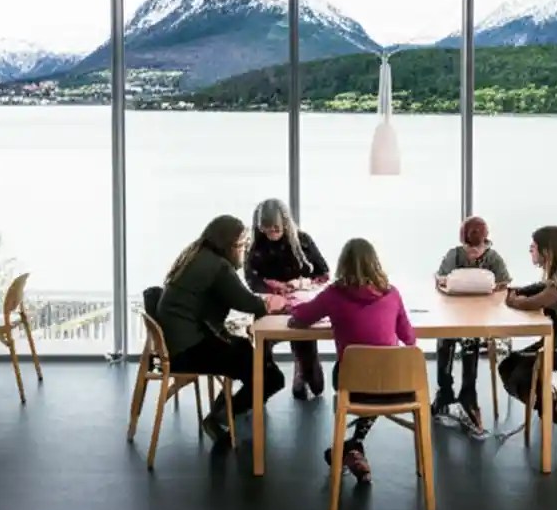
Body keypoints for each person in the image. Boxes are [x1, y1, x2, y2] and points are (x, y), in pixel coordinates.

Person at [289, 238, 416, 484]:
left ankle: (349, 449)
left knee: (359, 376)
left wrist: (293, 306)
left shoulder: (334, 294)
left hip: (353, 381)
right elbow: (409, 339)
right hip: (394, 385)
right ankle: (353, 447)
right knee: (378, 378)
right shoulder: (392, 293)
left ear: (342, 264)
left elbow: (302, 317)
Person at [156, 214, 288, 445]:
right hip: (189, 352)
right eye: (240, 245)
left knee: (249, 353)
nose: (243, 250)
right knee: (271, 377)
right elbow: (247, 302)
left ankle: (227, 410)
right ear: (226, 244)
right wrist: (271, 302)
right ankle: (222, 415)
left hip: (179, 344)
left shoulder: (197, 256)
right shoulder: (218, 267)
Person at [497, 226, 557, 453]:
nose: (530, 250)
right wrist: (515, 290)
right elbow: (540, 289)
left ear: (547, 251)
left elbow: (537, 301)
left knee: (522, 370)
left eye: (534, 247)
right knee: (508, 365)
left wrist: (514, 301)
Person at [244, 199, 330, 401]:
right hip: (270, 302)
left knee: (316, 385)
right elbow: (251, 279)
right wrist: (271, 290)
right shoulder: (256, 245)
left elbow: (324, 273)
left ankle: (304, 369)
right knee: (262, 344)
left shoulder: (302, 241)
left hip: (299, 300)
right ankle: (264, 381)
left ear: (285, 224)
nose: (272, 233)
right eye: (266, 229)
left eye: (276, 228)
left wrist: (299, 283)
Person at [432, 216, 512, 431]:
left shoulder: (493, 257)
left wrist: (490, 287)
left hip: (481, 314)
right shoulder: (454, 254)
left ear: (486, 240)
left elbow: (504, 282)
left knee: (471, 339)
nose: (473, 251)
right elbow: (440, 278)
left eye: (478, 245)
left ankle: (469, 393)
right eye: (469, 246)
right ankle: (445, 391)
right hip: (454, 312)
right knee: (445, 338)